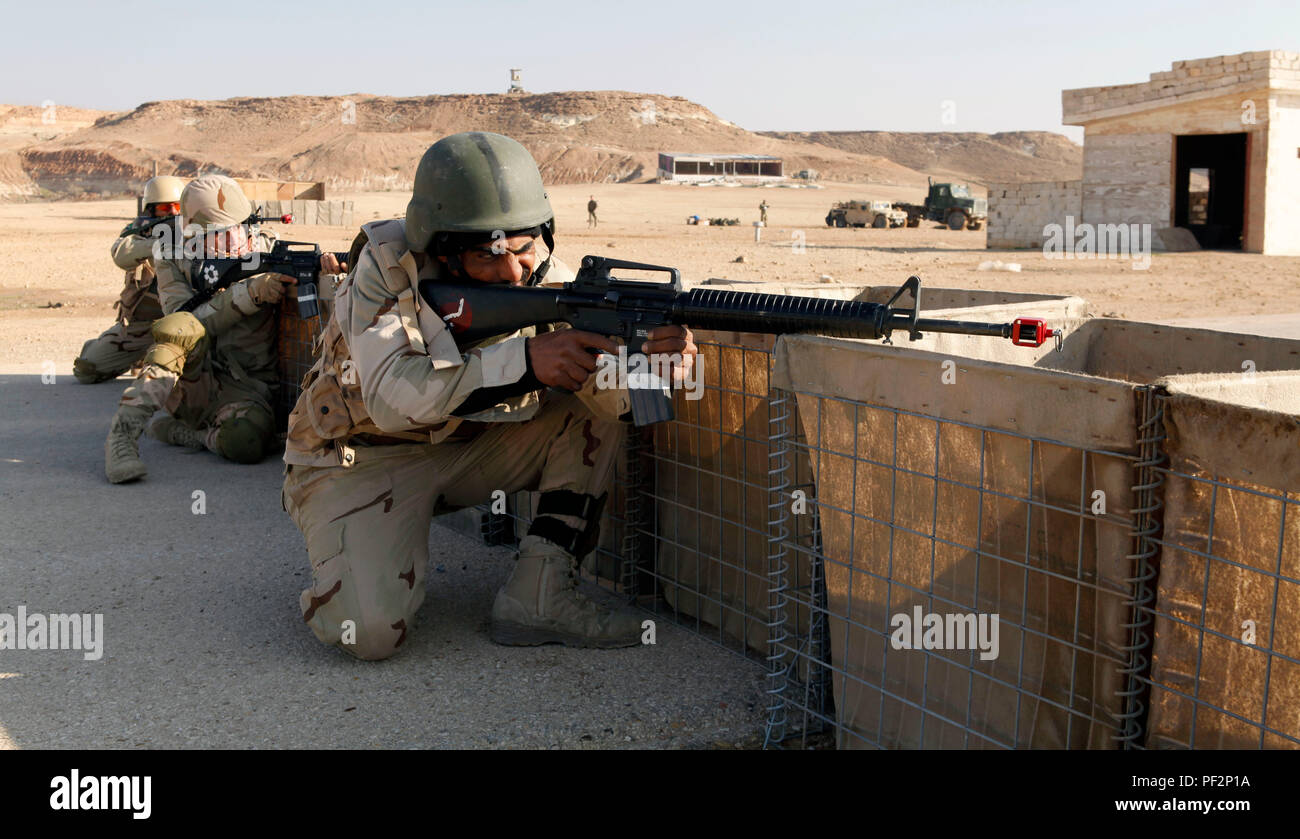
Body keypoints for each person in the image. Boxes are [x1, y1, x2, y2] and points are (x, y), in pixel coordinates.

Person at [281, 132, 697, 660]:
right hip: (357, 461)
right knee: (368, 635)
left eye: (523, 249)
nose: (511, 272)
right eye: (488, 255)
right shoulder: (387, 268)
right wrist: (526, 362)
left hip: (466, 451)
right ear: (442, 250)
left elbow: (617, 406)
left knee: (585, 404)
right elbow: (389, 398)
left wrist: (659, 361)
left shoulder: (549, 281)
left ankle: (539, 597)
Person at [103, 175, 295, 483]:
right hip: (189, 382)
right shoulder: (172, 257)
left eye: (239, 229)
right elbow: (185, 318)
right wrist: (248, 293)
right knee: (179, 329)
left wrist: (329, 269)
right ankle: (122, 437)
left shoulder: (268, 249)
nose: (233, 242)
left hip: (247, 388)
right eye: (219, 234)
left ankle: (192, 436)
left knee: (245, 443)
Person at [74, 176, 185, 384]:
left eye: (178, 206)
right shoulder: (140, 232)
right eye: (164, 207)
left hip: (179, 326)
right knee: (87, 371)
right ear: (151, 210)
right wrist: (159, 245)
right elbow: (120, 253)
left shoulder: (195, 233)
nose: (172, 212)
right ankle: (106, 347)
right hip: (141, 328)